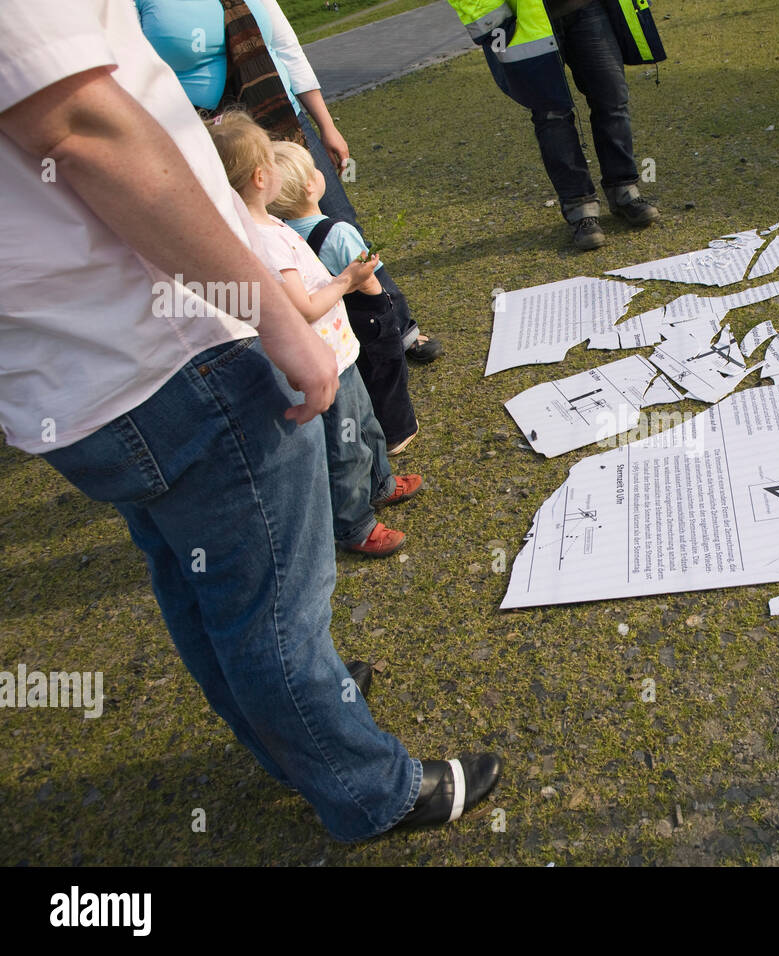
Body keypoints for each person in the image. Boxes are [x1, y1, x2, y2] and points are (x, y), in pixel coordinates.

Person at [0, 0, 500, 839]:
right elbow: (83, 125)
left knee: (205, 591)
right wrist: (275, 320)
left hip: (76, 378)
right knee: (273, 611)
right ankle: (366, 788)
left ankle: (292, 734)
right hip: (170, 350)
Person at [131, 0, 444, 363]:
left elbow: (285, 48)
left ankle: (396, 328)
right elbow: (134, 76)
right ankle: (300, 347)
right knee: (253, 245)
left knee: (338, 226)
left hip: (281, 122)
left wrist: (326, 124)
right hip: (210, 142)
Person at [207, 110, 420, 556]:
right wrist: (347, 279)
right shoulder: (263, 240)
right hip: (320, 358)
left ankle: (380, 482)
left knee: (366, 427)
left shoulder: (266, 223)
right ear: (262, 175)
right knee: (344, 447)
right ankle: (354, 524)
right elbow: (301, 310)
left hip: (340, 351)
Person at [448, 0, 668, 250]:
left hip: (589, 8)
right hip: (524, 23)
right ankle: (580, 209)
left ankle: (624, 189)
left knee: (612, 97)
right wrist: (493, 23)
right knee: (551, 115)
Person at [268, 140, 420, 456]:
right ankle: (397, 430)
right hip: (368, 309)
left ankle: (368, 426)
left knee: (363, 370)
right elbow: (367, 271)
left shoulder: (284, 234)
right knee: (387, 369)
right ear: (311, 185)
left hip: (333, 318)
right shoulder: (338, 231)